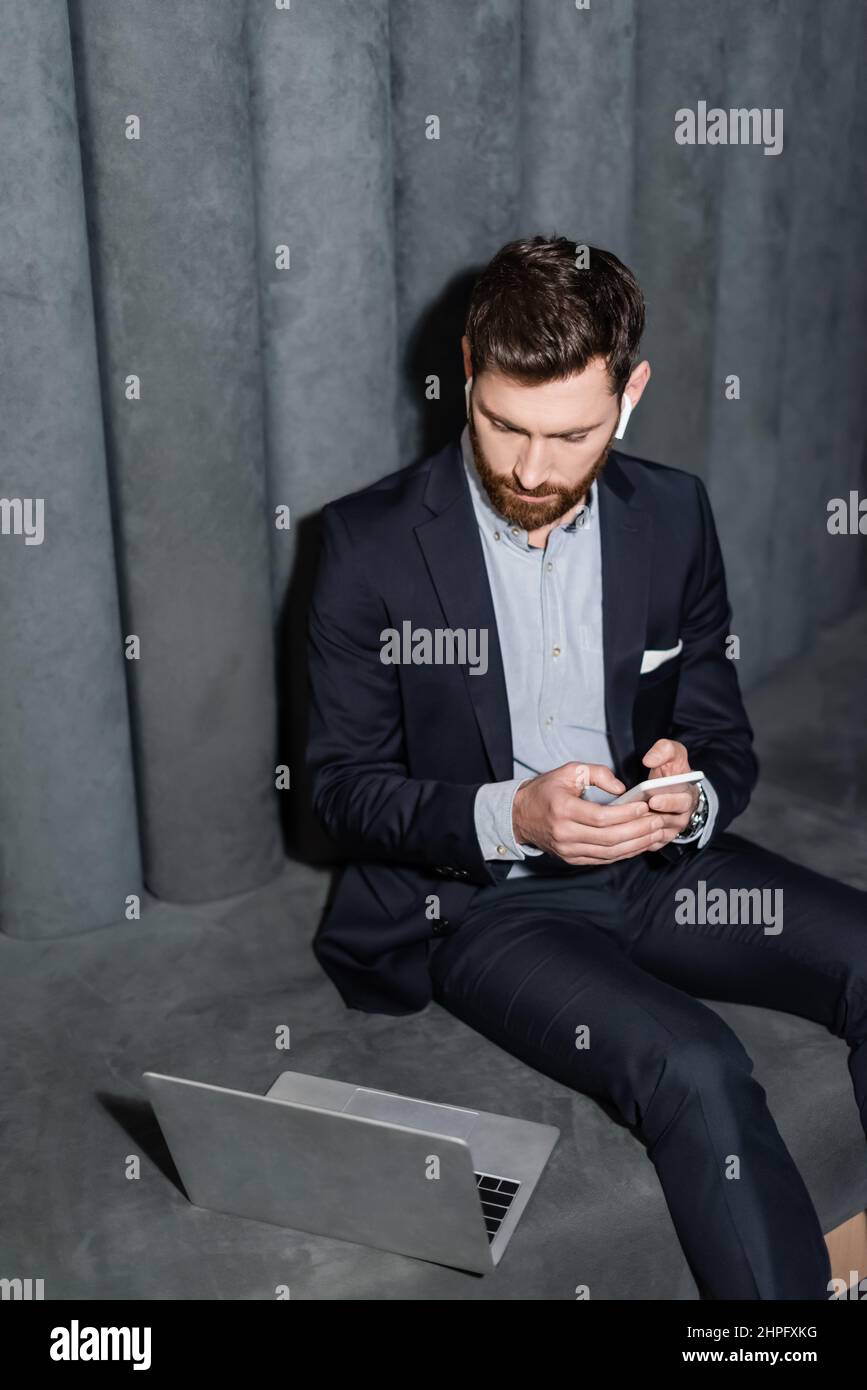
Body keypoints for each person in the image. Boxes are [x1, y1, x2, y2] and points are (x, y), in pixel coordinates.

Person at [305, 235, 867, 1299]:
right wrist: (514, 813)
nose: (528, 468)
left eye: (571, 435)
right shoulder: (365, 547)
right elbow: (339, 786)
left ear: (632, 391)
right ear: (466, 368)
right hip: (487, 905)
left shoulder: (673, 513)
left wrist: (689, 793)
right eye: (501, 422)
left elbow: (723, 735)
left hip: (658, 867)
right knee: (696, 1066)